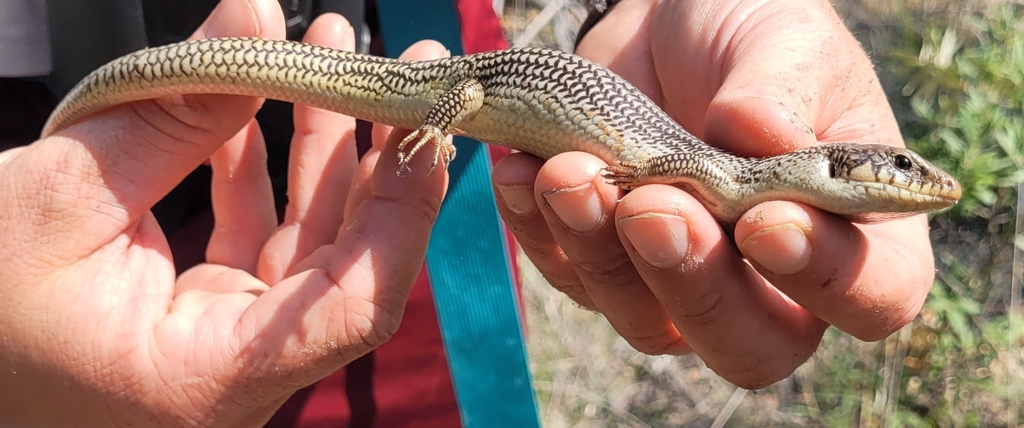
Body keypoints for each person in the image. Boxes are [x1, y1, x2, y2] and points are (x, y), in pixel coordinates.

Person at [0, 0, 938, 426]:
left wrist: (634, 8)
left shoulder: (732, 173)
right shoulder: (712, 171)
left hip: (414, 74)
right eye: (899, 168)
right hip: (436, 103)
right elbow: (654, 160)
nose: (912, 182)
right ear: (844, 166)